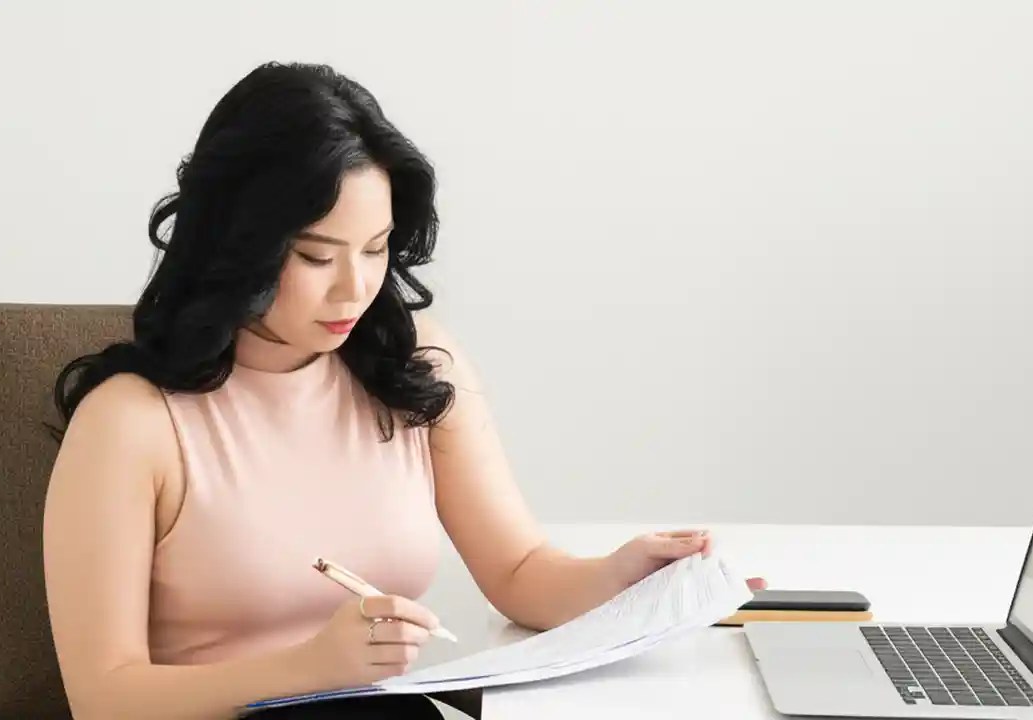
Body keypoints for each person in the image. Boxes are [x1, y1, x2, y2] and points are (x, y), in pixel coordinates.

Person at [42, 61, 759, 720]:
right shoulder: (132, 424)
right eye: (317, 255)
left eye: (376, 248)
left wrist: (623, 576)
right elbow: (105, 697)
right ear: (238, 241)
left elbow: (518, 572)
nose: (355, 288)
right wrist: (308, 667)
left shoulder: (418, 366)